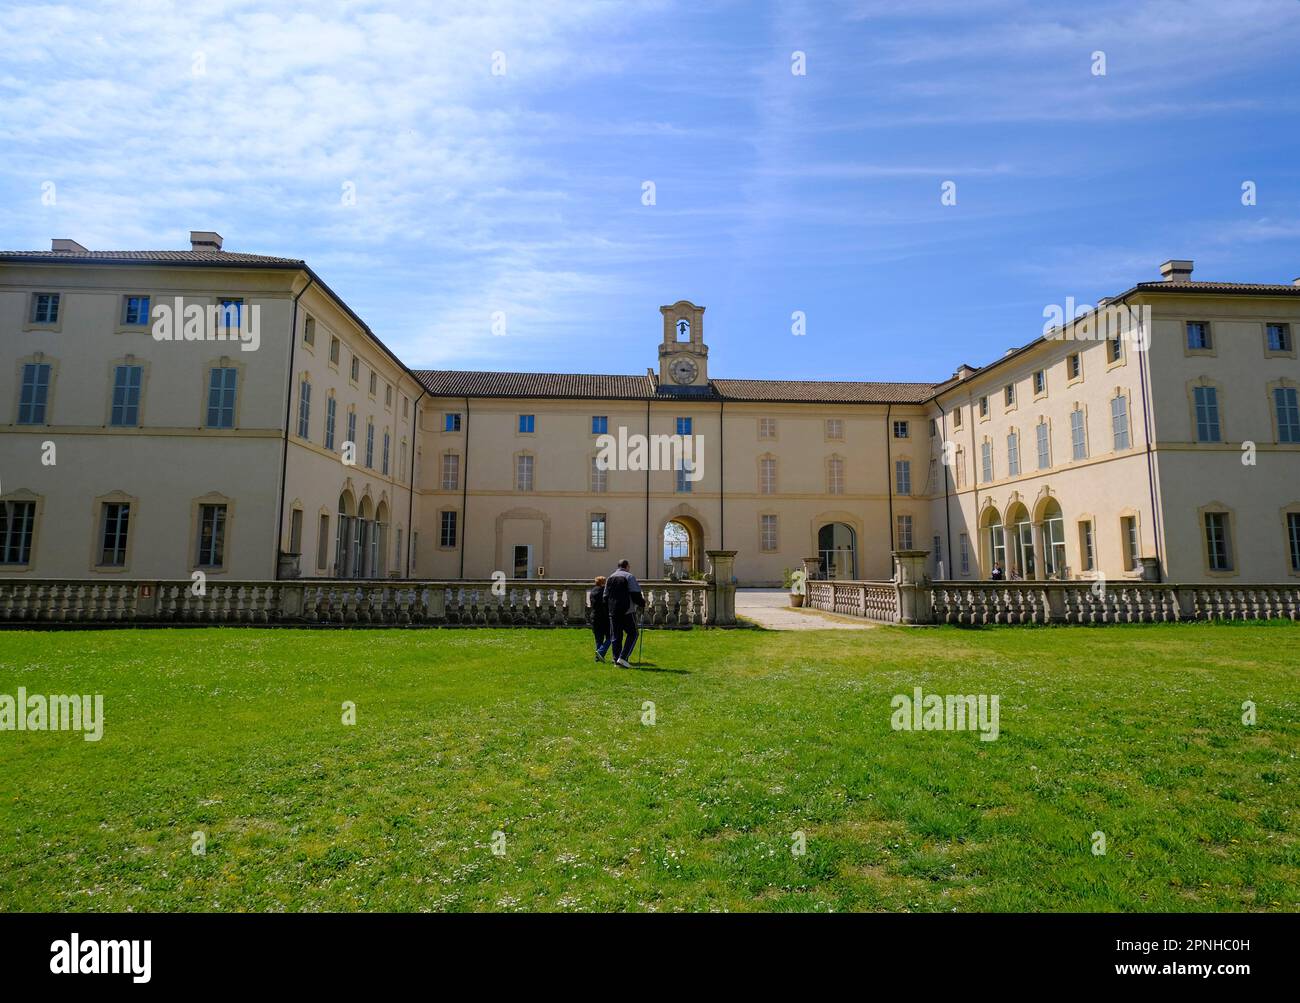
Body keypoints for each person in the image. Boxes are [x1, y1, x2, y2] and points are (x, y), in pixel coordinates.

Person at [603, 559, 645, 668]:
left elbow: (605, 596)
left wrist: (610, 608)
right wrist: (642, 604)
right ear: (626, 566)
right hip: (627, 611)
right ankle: (623, 657)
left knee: (616, 636)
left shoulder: (610, 578)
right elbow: (635, 594)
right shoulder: (629, 576)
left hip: (613, 611)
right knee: (633, 633)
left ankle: (616, 660)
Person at [588, 575, 612, 663]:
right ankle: (601, 652)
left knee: (599, 639)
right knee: (611, 637)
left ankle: (598, 658)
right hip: (604, 618)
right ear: (603, 583)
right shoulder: (605, 592)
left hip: (595, 617)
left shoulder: (593, 591)